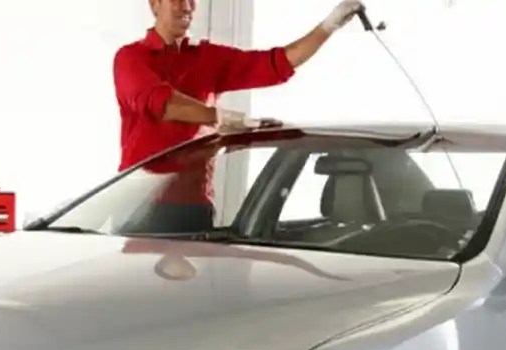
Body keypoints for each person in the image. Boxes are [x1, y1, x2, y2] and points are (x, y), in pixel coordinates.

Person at [113, 0, 365, 233]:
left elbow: (272, 64)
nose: (187, 6)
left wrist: (328, 26)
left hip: (192, 204)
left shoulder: (207, 58)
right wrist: (226, 118)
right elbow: (163, 104)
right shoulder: (130, 58)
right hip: (139, 203)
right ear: (154, 4)